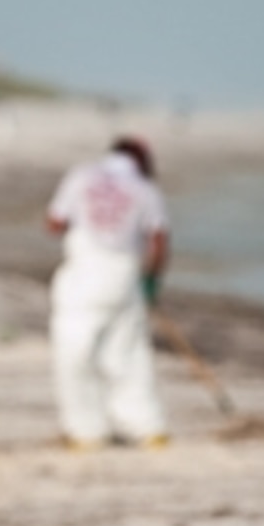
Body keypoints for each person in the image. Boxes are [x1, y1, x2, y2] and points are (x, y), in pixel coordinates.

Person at [45, 136, 172, 448]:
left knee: (75, 353)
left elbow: (55, 223)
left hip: (84, 271)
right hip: (125, 274)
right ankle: (147, 427)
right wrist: (151, 282)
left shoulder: (80, 176)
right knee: (128, 354)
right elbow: (158, 242)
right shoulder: (146, 190)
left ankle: (86, 431)